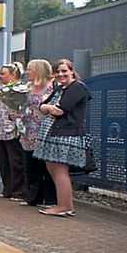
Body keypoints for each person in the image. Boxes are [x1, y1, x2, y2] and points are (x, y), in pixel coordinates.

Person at [33, 58, 91, 217]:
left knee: (60, 171)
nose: (60, 74)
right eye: (57, 71)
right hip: (55, 133)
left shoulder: (77, 88)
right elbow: (43, 105)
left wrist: (48, 108)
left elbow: (61, 109)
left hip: (66, 133)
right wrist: (47, 107)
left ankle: (64, 206)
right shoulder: (60, 89)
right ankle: (65, 205)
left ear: (72, 71)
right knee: (53, 169)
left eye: (64, 71)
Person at [19, 59, 58, 207]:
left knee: (47, 166)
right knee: (30, 165)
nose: (27, 73)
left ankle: (51, 199)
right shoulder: (27, 88)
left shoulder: (53, 87)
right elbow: (21, 106)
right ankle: (33, 197)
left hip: (45, 130)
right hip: (29, 131)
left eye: (30, 70)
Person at [0, 62, 27, 200]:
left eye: (3, 73)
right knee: (2, 161)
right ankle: (7, 188)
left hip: (12, 129)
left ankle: (18, 190)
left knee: (15, 161)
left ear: (13, 74)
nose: (0, 76)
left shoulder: (21, 90)